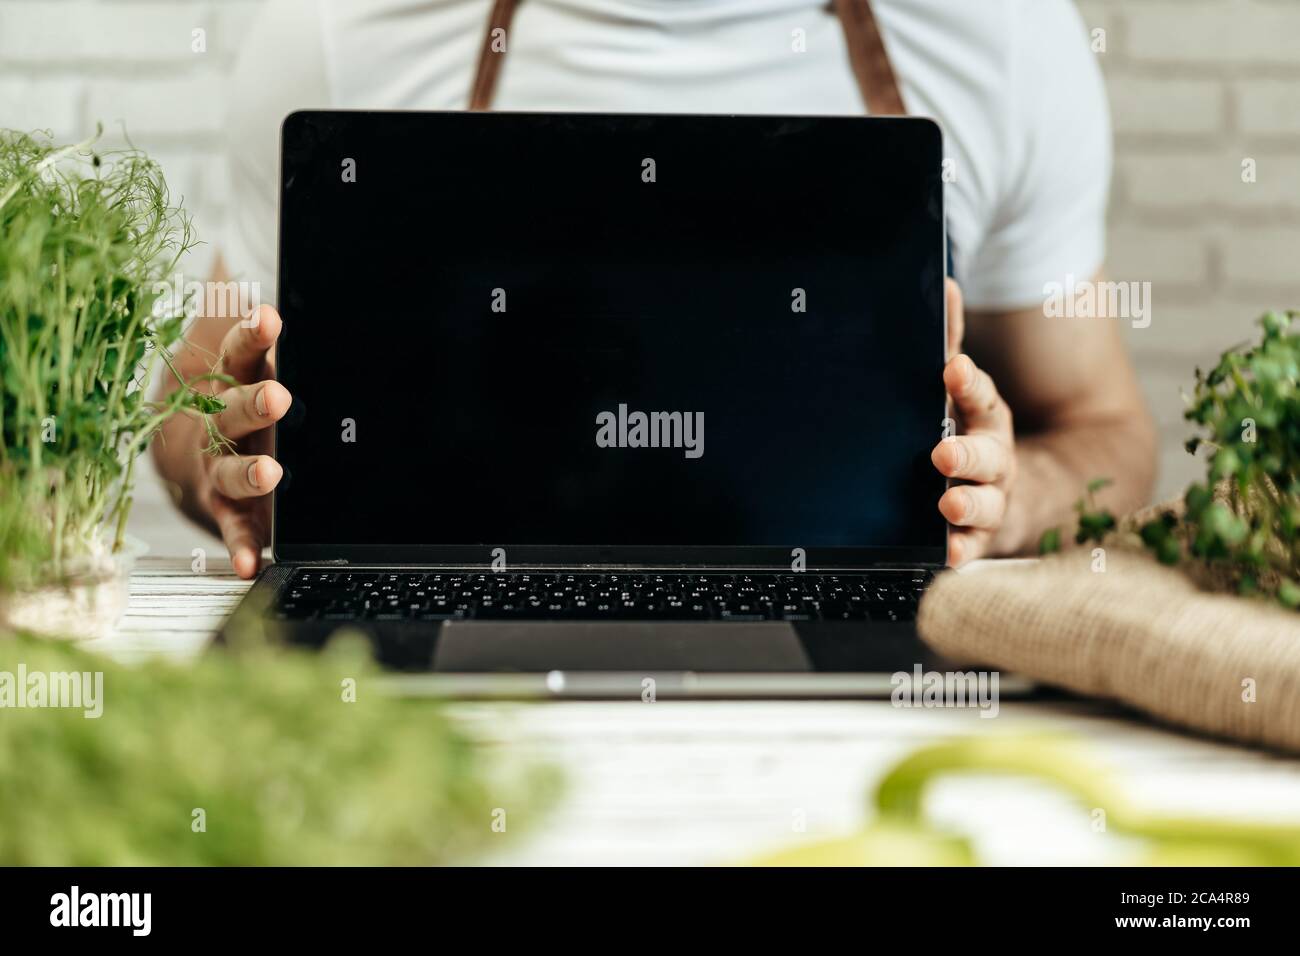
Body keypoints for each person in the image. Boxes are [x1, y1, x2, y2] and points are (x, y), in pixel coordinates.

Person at [153, 0, 1156, 579]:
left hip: (859, 663)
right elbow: (189, 404)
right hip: (427, 645)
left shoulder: (1006, 36)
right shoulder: (334, 29)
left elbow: (1107, 430)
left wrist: (1012, 496)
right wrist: (229, 455)